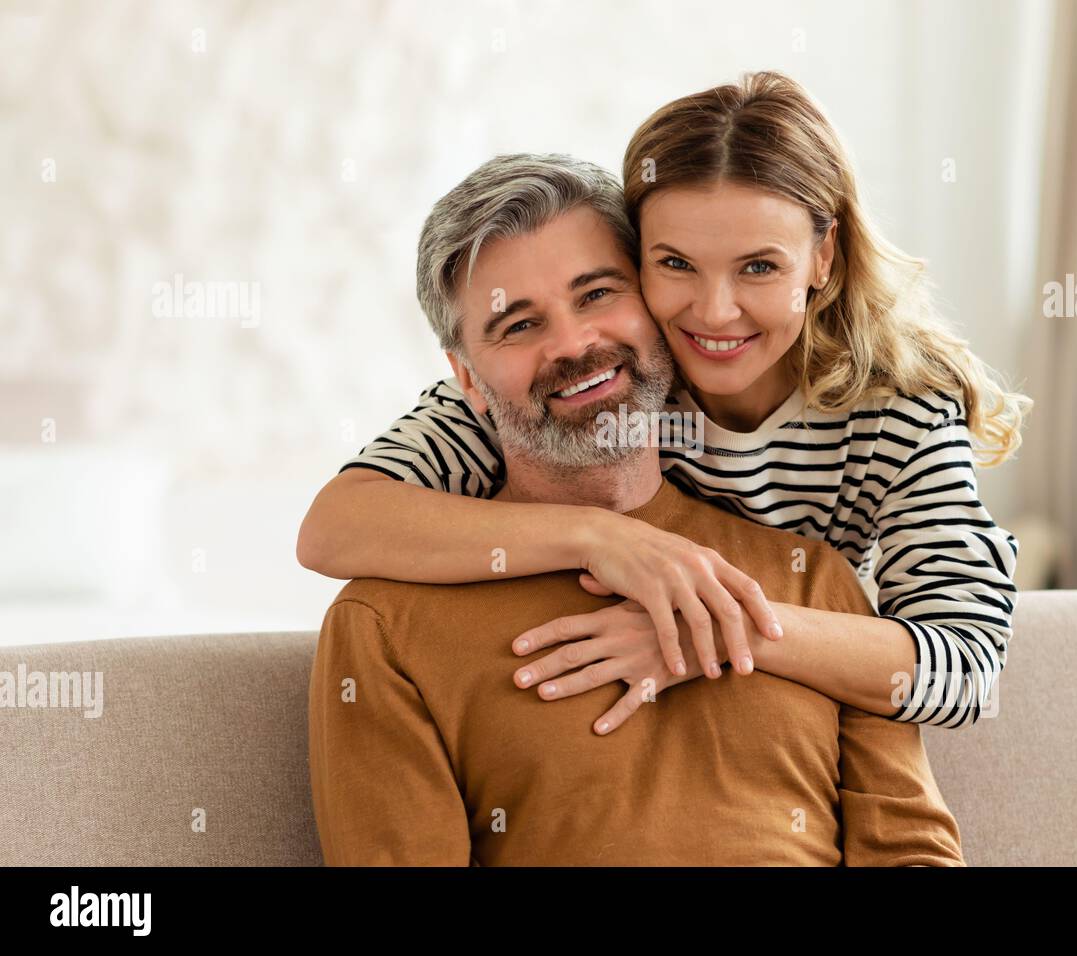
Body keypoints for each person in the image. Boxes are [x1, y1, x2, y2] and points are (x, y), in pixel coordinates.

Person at [299, 72, 1030, 732]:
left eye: (759, 267)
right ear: (638, 255)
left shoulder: (897, 407)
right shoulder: (616, 372)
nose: (714, 314)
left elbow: (965, 668)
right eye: (675, 264)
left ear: (823, 257)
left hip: (792, 704)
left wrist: (701, 626)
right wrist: (599, 536)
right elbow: (333, 528)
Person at [307, 170, 964, 864]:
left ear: (655, 304)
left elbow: (911, 851)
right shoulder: (384, 626)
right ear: (466, 378)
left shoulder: (813, 581)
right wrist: (598, 537)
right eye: (519, 324)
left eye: (596, 294)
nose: (571, 344)